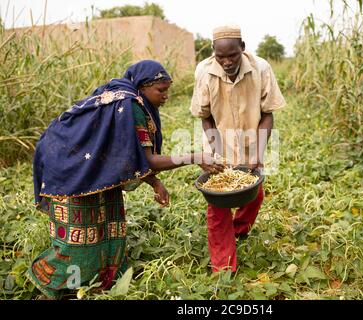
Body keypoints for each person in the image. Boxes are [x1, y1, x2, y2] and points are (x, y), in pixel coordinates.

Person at [28, 60, 224, 299]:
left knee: (107, 223)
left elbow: (125, 153)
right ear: (142, 86)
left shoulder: (130, 101)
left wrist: (155, 183)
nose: (166, 96)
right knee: (77, 235)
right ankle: (53, 283)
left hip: (92, 167)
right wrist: (194, 157)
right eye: (160, 90)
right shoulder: (129, 104)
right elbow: (148, 159)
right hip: (69, 167)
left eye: (167, 90)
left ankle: (97, 279)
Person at [190, 25, 286, 272]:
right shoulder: (204, 71)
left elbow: (267, 114)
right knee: (218, 204)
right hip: (217, 143)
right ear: (213, 53)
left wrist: (257, 153)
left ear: (242, 48)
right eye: (221, 57)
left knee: (255, 194)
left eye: (232, 55)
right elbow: (205, 116)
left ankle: (238, 230)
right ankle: (224, 267)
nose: (227, 62)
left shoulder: (261, 68)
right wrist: (217, 151)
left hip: (250, 144)